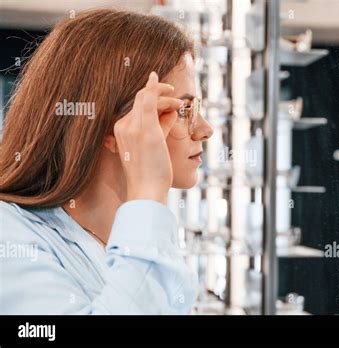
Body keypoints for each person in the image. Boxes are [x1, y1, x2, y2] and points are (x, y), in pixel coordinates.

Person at [0, 8, 213, 314]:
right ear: (110, 126)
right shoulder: (9, 234)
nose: (206, 130)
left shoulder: (126, 237)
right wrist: (149, 193)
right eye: (183, 110)